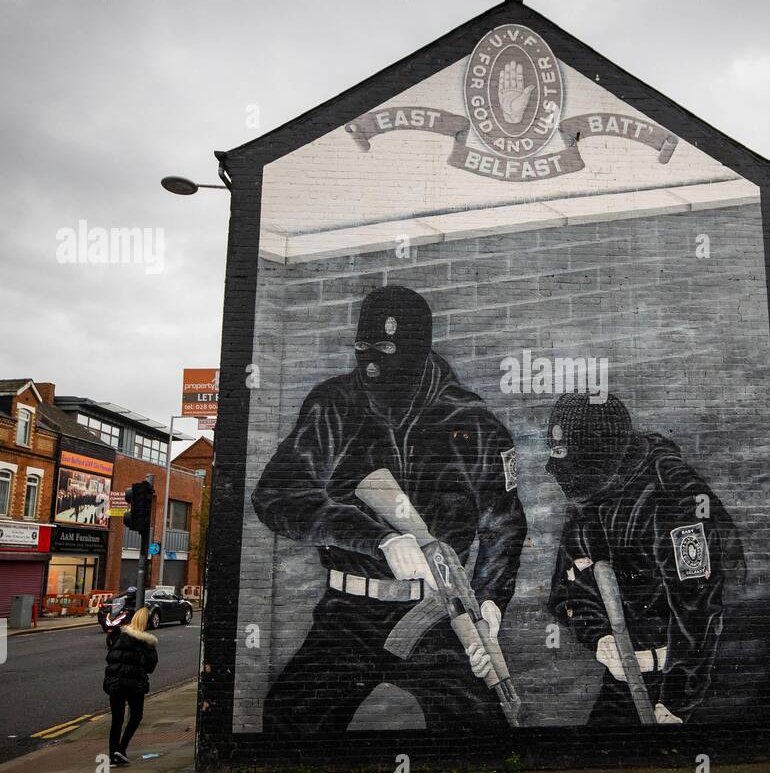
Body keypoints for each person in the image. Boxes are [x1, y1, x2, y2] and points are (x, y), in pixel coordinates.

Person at [252, 285, 526, 733]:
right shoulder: (334, 406)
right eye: (362, 347)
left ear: (418, 347)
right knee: (288, 717)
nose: (370, 360)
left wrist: (490, 605)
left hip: (439, 610)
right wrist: (379, 538)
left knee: (481, 727)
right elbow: (276, 496)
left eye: (384, 347)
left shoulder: (472, 422)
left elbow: (504, 523)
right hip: (348, 613)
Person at [545, 393, 744, 726]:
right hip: (632, 668)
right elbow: (567, 590)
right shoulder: (587, 497)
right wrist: (601, 639)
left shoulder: (673, 499)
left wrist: (678, 702)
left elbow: (700, 608)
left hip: (696, 672)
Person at [103, 605, 158, 765]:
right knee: (136, 716)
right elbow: (150, 667)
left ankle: (113, 756)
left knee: (117, 720)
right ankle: (121, 749)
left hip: (115, 684)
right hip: (133, 685)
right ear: (146, 624)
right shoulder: (147, 643)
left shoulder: (119, 637)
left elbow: (110, 658)